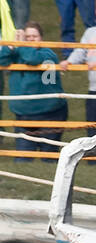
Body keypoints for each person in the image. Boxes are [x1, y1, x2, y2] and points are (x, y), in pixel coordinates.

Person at [0, 22, 66, 159]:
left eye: (34, 36)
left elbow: (33, 58)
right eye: (27, 36)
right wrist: (11, 46)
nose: (30, 39)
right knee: (23, 158)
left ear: (41, 38)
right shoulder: (18, 53)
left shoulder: (48, 54)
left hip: (49, 114)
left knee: (49, 157)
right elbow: (2, 60)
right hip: (23, 115)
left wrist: (21, 44)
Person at [61, 0, 96, 128]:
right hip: (94, 89)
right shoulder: (90, 33)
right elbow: (80, 51)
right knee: (93, 128)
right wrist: (69, 61)